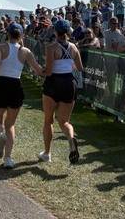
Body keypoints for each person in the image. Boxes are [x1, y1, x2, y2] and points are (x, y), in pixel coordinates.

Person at [0, 23, 43, 169]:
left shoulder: (1, 47)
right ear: (22, 35)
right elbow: (38, 69)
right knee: (10, 124)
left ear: (8, 34)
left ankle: (0, 136)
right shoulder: (26, 51)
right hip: (15, 86)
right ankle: (8, 159)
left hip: (1, 85)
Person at [40, 19, 84, 164]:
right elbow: (80, 67)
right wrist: (68, 65)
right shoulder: (74, 47)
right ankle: (71, 139)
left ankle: (47, 153)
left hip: (53, 83)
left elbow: (49, 71)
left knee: (49, 120)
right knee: (65, 121)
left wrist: (41, 70)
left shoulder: (51, 47)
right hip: (69, 83)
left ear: (55, 31)